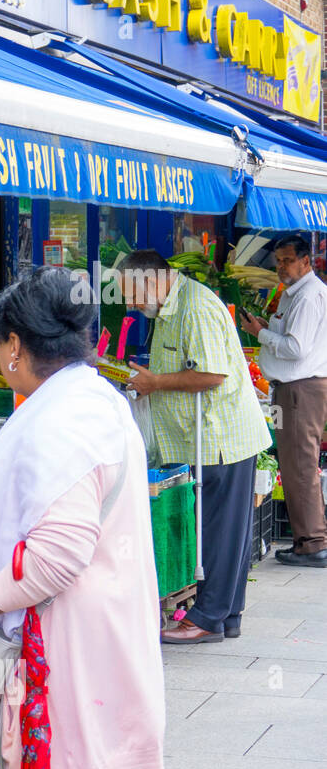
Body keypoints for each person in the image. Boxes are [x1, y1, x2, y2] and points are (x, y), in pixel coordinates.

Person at [0, 266, 165, 769]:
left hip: (66, 672)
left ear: (15, 345)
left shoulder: (64, 422)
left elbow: (55, 557)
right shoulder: (91, 400)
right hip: (95, 658)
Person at [119, 249, 270, 643]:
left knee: (218, 530)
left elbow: (212, 374)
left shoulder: (196, 307)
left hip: (220, 438)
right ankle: (225, 615)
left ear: (152, 281)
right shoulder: (172, 307)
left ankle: (206, 617)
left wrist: (156, 383)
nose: (132, 305)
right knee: (225, 530)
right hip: (203, 438)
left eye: (133, 294)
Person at [239, 235, 327, 567]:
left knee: (301, 467)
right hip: (292, 390)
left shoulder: (307, 297)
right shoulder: (297, 295)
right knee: (295, 465)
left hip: (299, 391)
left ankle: (313, 543)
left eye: (288, 260)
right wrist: (265, 328)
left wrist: (261, 333)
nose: (281, 267)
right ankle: (311, 539)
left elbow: (295, 348)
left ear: (306, 261)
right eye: (278, 261)